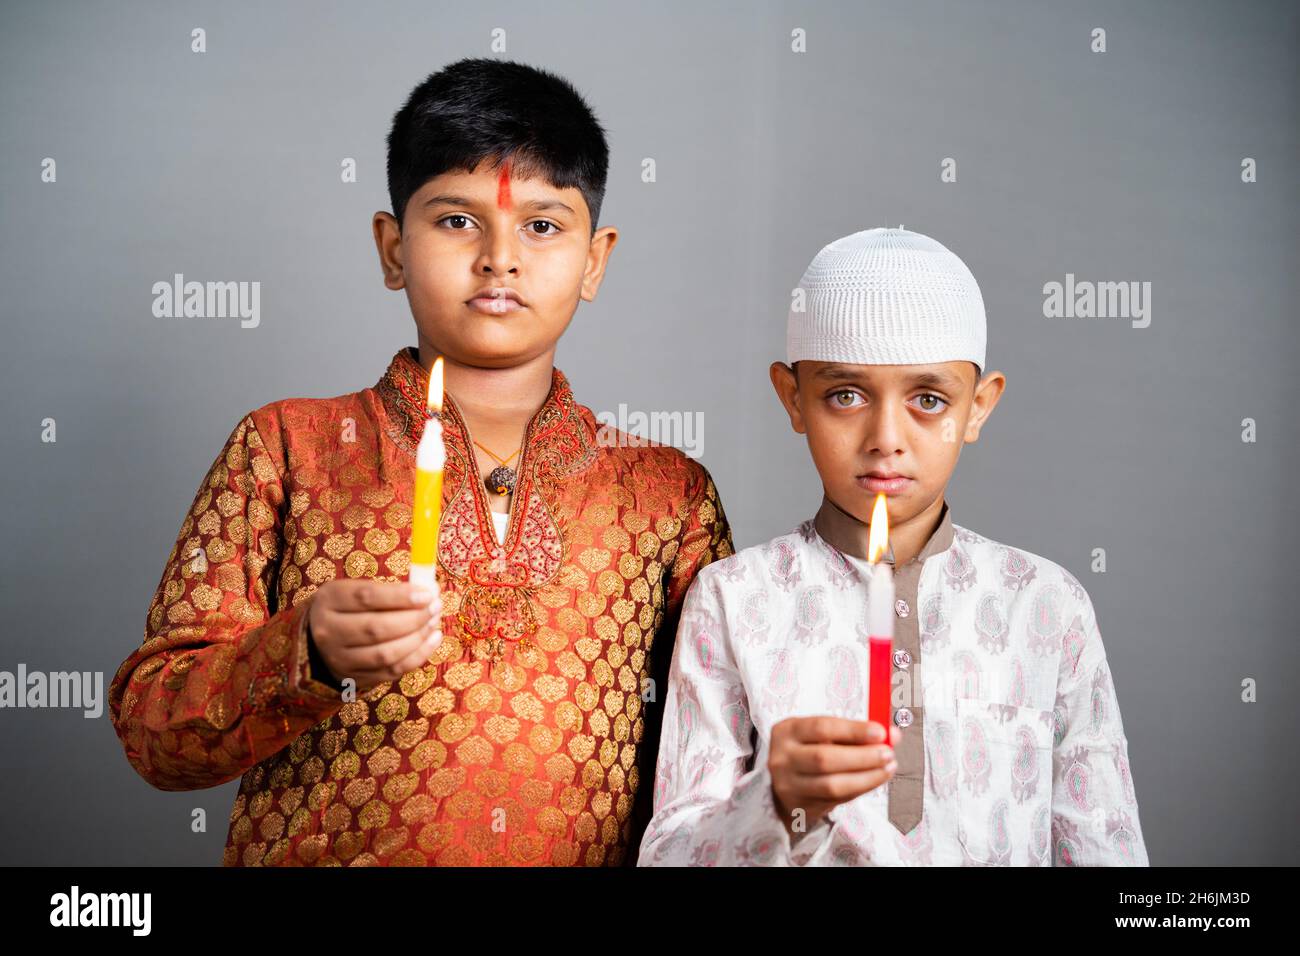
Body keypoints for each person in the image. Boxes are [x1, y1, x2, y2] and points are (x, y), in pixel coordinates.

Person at [107, 57, 733, 866]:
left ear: (596, 259)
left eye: (542, 225)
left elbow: (717, 764)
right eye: (457, 221)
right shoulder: (286, 448)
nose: (499, 258)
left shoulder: (666, 495)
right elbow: (153, 732)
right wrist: (302, 654)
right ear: (392, 246)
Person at [639, 227, 1148, 866]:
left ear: (980, 407)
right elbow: (667, 858)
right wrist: (774, 805)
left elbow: (1109, 850)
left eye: (929, 400)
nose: (886, 437)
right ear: (792, 398)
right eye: (845, 395)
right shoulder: (734, 599)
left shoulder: (1046, 605)